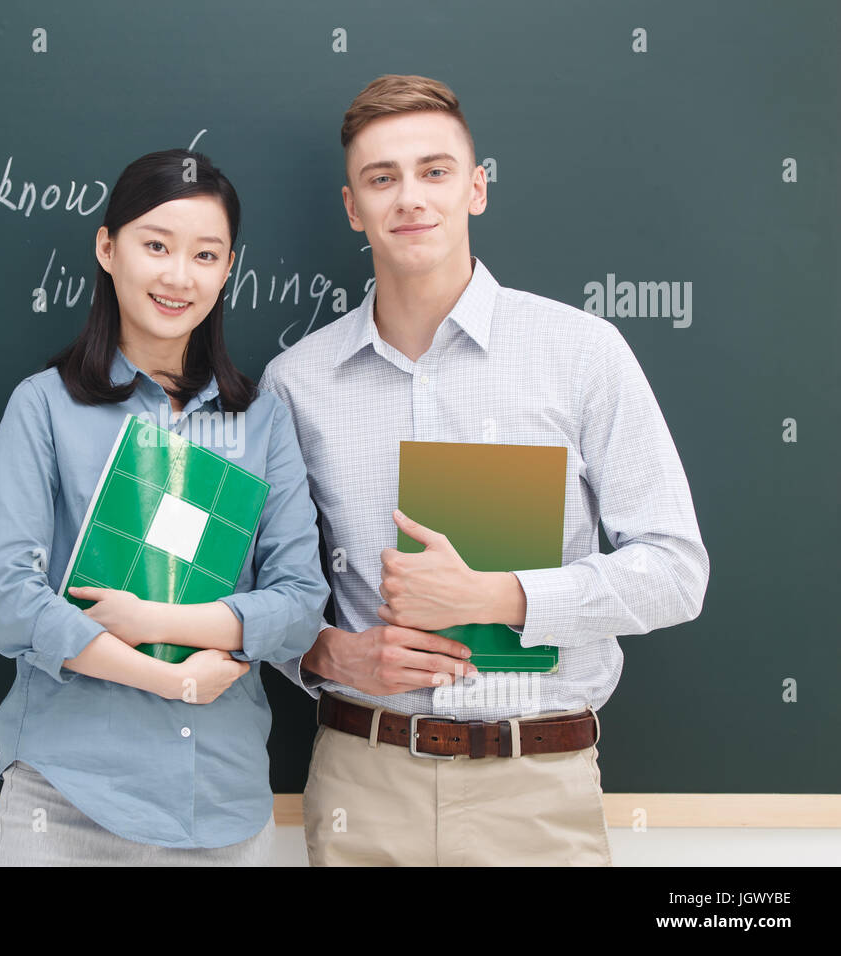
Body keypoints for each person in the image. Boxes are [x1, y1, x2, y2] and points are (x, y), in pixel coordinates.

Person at [262, 75, 711, 866]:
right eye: (382, 178)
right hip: (364, 787)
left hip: (538, 787)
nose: (410, 197)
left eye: (435, 171)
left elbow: (676, 572)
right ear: (352, 207)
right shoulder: (298, 382)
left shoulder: (583, 353)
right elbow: (260, 586)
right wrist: (323, 653)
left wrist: (501, 595)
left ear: (476, 189)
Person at [0, 148, 329, 865]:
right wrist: (171, 678)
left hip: (224, 808)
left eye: (206, 254)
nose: (178, 276)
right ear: (108, 248)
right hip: (67, 802)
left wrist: (155, 623)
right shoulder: (43, 407)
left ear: (229, 269)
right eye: (155, 245)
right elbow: (9, 603)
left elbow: (300, 604)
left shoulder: (261, 421)